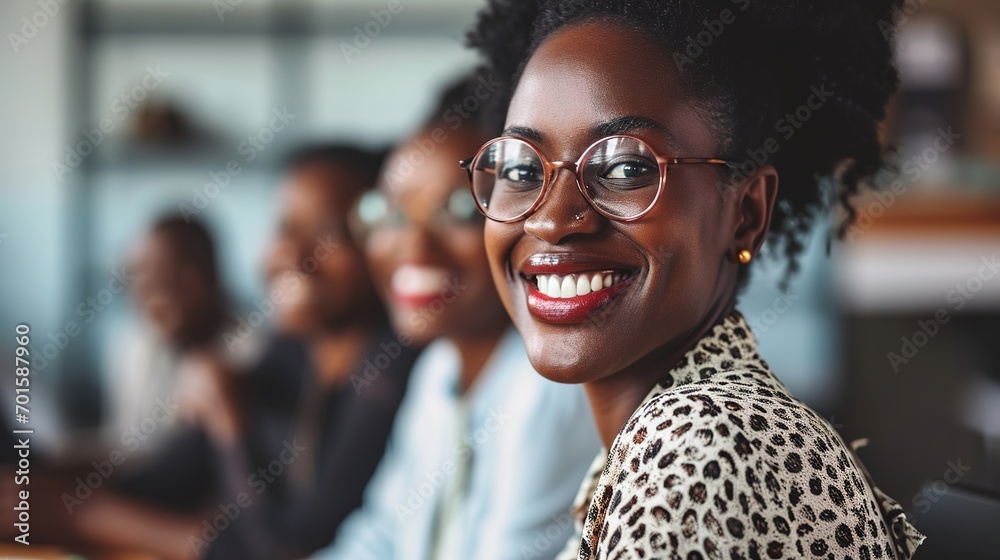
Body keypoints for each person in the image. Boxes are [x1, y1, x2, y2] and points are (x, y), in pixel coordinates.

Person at [465, 1, 926, 558]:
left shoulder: (700, 447)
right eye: (521, 169)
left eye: (626, 167)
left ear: (746, 214)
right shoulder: (671, 434)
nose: (552, 219)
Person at [34, 145, 417, 560]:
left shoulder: (390, 371)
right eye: (286, 229)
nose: (292, 254)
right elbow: (165, 479)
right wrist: (38, 484)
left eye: (329, 233)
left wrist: (81, 516)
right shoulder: (293, 350)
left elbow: (284, 550)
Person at [314, 77, 600, 560]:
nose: (413, 246)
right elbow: (378, 537)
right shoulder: (438, 371)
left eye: (458, 210)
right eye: (390, 212)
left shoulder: (549, 388)